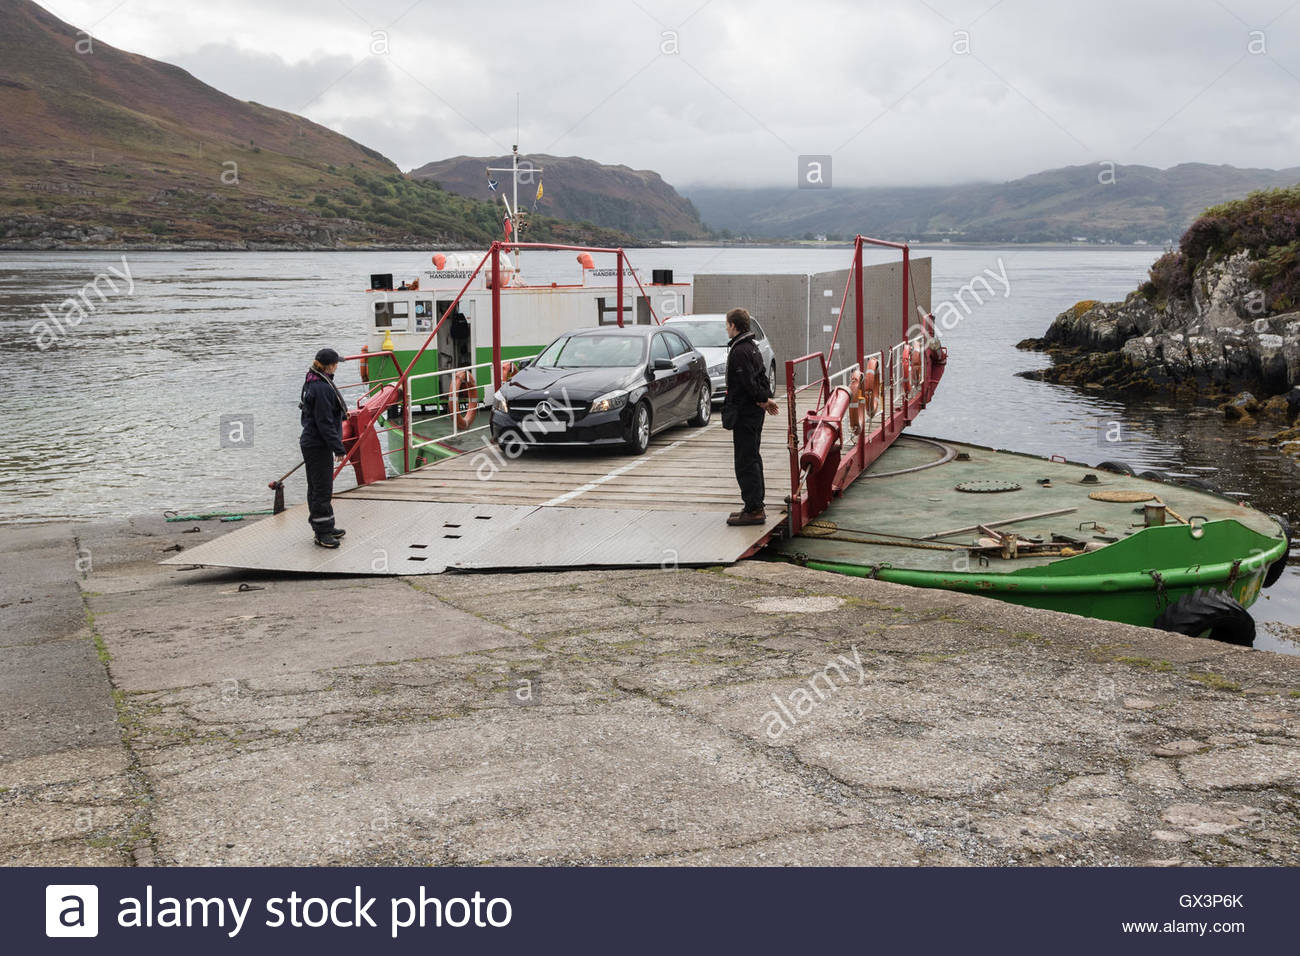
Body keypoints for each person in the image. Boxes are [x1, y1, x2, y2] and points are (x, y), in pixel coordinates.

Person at [721, 308, 779, 526]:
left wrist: (762, 399)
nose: (726, 328)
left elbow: (748, 384)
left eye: (727, 324)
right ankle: (753, 505)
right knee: (753, 457)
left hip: (745, 414)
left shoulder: (739, 351)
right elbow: (762, 378)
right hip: (754, 412)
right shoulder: (752, 347)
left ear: (734, 326)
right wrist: (765, 400)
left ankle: (754, 509)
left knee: (745, 461)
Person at [300, 347, 349, 548]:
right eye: (336, 363)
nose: (337, 366)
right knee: (321, 488)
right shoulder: (321, 388)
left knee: (317, 485)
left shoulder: (313, 378)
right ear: (331, 366)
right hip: (317, 444)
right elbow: (325, 422)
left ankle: (325, 524)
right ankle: (322, 532)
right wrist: (338, 448)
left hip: (312, 442)